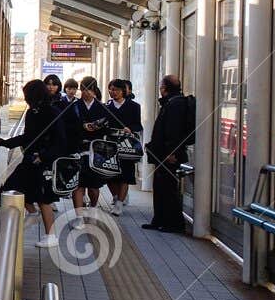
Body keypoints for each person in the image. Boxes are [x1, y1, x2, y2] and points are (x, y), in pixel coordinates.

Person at [0, 79, 71, 247]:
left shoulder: (52, 112)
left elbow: (60, 141)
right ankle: (32, 213)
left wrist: (44, 157)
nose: (26, 98)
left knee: (43, 198)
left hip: (45, 162)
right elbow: (28, 137)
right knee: (11, 187)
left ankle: (51, 236)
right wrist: (4, 142)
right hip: (30, 160)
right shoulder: (32, 112)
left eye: (27, 95)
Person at [143, 74, 195, 233]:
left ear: (164, 88)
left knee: (168, 189)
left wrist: (171, 152)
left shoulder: (175, 105)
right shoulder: (173, 102)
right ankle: (159, 220)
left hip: (169, 155)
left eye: (161, 85)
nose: (159, 88)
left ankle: (172, 223)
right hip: (164, 154)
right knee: (160, 187)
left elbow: (173, 132)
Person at [64, 76, 109, 210]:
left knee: (94, 186)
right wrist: (82, 127)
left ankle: (93, 207)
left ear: (95, 91)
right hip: (78, 148)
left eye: (90, 89)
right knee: (78, 185)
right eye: (84, 89)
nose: (87, 92)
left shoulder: (102, 107)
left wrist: (97, 127)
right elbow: (66, 126)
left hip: (96, 150)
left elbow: (107, 126)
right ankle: (79, 214)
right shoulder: (74, 106)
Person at [100, 78, 143, 216]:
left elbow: (138, 125)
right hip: (110, 144)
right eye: (111, 89)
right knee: (109, 174)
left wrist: (130, 129)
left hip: (127, 146)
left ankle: (119, 203)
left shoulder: (134, 106)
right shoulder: (105, 107)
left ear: (123, 91)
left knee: (126, 175)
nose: (113, 92)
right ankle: (116, 197)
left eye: (116, 90)